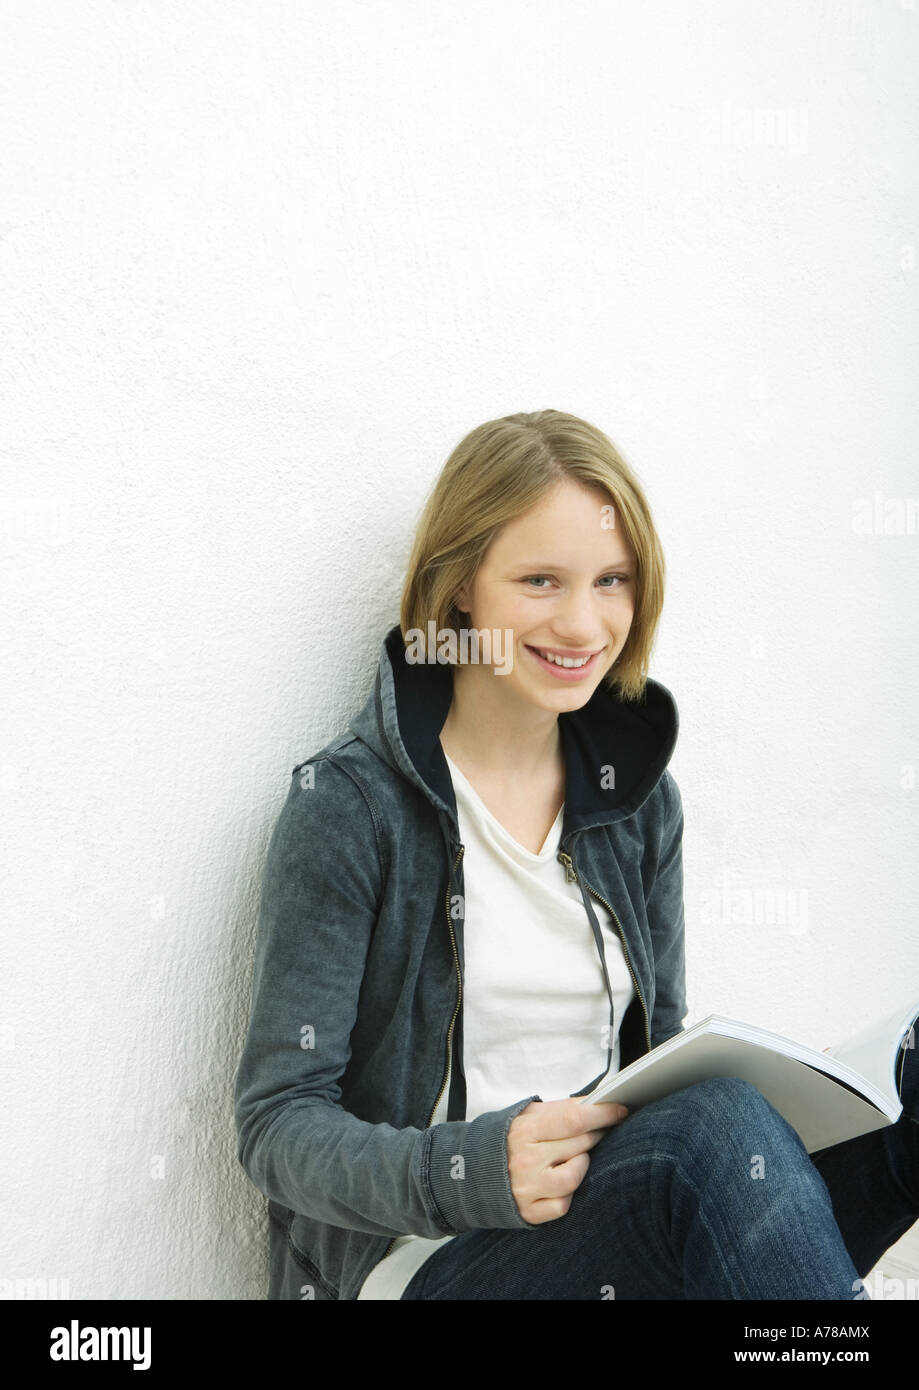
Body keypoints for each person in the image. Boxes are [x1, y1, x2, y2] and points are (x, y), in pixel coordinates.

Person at [233, 408, 919, 1300]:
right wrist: (469, 1168)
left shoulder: (633, 800)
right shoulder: (352, 809)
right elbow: (276, 1126)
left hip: (619, 1226)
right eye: (540, 581)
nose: (583, 623)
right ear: (459, 589)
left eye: (611, 581)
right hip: (427, 1265)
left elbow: (664, 1059)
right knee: (709, 1132)